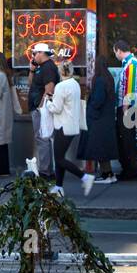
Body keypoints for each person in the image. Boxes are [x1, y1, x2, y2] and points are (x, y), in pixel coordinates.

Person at [45, 61, 91, 196]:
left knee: (59, 159)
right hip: (72, 125)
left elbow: (57, 108)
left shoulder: (60, 86)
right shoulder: (75, 84)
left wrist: (48, 102)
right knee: (60, 157)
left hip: (62, 126)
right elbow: (67, 102)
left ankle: (85, 177)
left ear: (60, 71)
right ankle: (59, 187)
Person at [80, 52, 118, 185]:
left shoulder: (100, 80)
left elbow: (98, 100)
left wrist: (90, 107)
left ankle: (106, 175)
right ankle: (109, 174)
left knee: (100, 148)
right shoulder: (109, 78)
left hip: (98, 119)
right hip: (106, 118)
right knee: (104, 148)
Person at [27, 43, 59, 178]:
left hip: (41, 109)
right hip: (37, 106)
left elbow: (49, 89)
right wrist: (32, 70)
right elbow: (31, 84)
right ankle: (47, 169)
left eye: (35, 54)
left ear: (41, 53)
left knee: (42, 138)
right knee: (41, 138)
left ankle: (45, 171)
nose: (33, 56)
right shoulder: (40, 67)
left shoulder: (49, 67)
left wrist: (41, 107)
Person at [114, 39, 137, 181]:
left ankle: (131, 171)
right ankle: (128, 169)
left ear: (119, 50)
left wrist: (125, 107)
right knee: (125, 139)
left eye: (115, 52)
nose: (115, 55)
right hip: (128, 106)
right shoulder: (129, 63)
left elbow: (130, 87)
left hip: (128, 106)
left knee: (127, 139)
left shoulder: (131, 64)